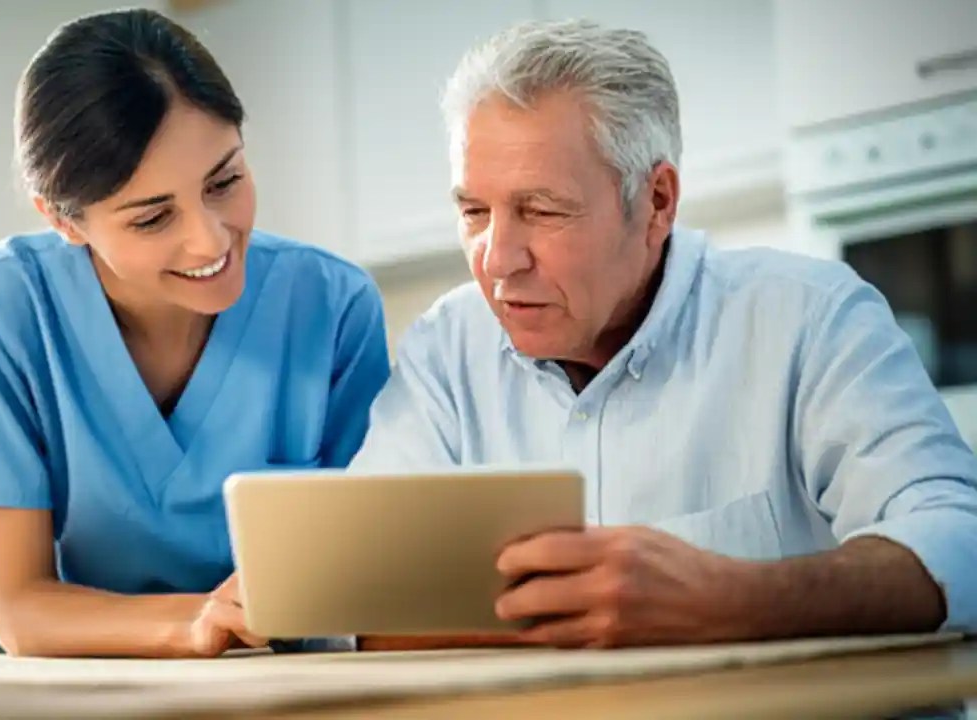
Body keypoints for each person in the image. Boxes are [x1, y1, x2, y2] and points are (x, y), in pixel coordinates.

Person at [346, 19, 977, 650]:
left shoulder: (810, 318)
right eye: (474, 212)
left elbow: (959, 542)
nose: (497, 258)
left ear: (656, 201)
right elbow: (348, 591)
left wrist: (733, 599)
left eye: (541, 210)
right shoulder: (445, 351)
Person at [0, 8, 389, 658]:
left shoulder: (333, 307)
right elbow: (21, 606)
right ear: (64, 221)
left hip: (264, 682)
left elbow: (363, 576)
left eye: (225, 181)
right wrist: (196, 622)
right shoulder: (2, 312)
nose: (210, 238)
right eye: (152, 217)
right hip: (38, 686)